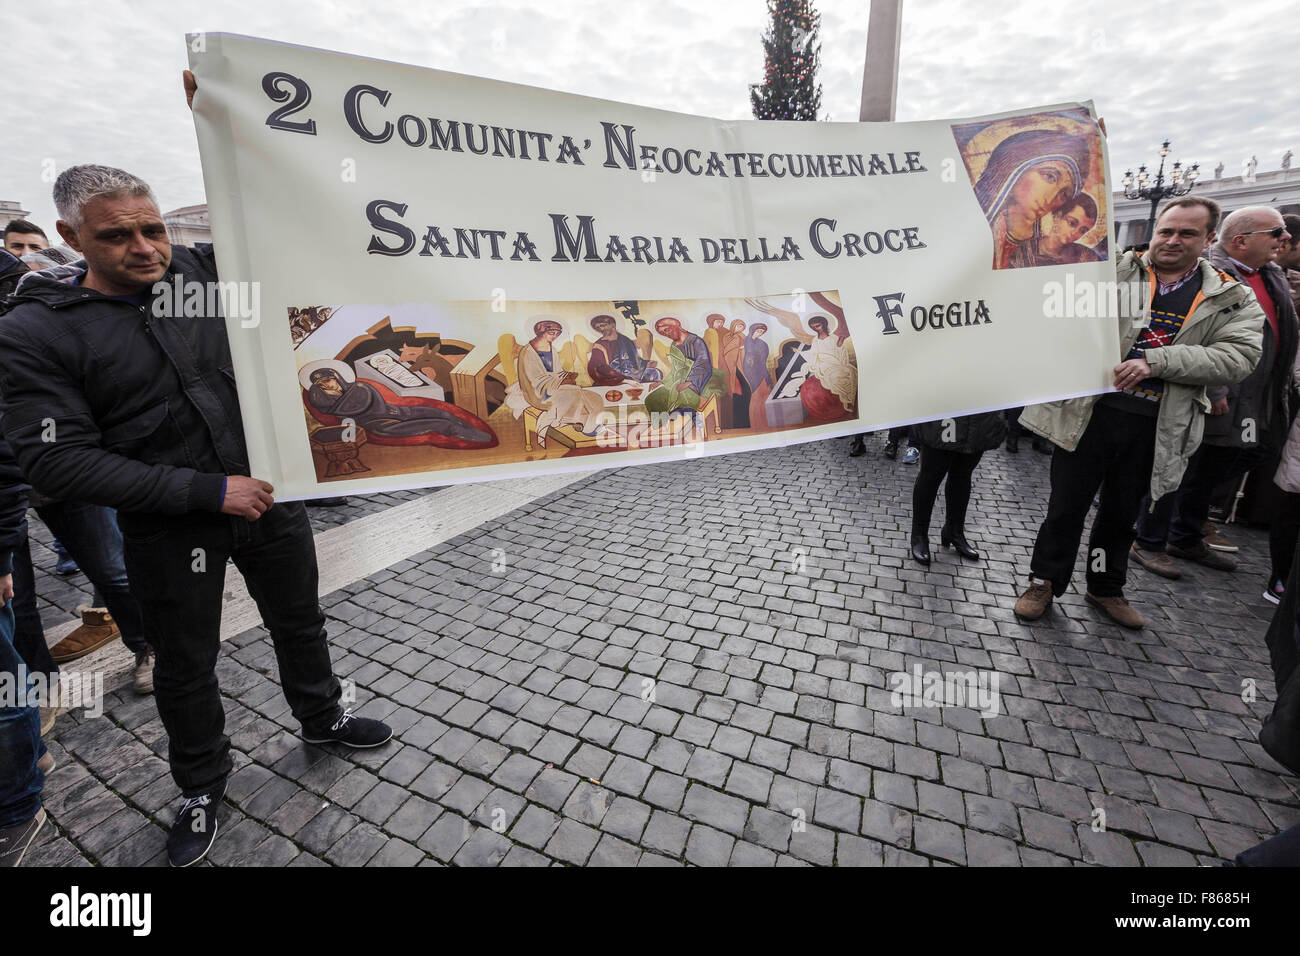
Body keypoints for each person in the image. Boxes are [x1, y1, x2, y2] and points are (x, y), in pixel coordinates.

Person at [0, 164, 394, 868]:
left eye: (153, 228)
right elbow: (56, 462)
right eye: (116, 236)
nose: (146, 248)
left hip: (269, 500)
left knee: (299, 620)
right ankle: (201, 787)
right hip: (167, 524)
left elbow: (286, 216)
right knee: (185, 664)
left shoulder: (203, 271)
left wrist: (230, 113)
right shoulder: (34, 332)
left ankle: (322, 717)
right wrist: (208, 493)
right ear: (70, 237)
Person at [1013, 196, 1264, 629]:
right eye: (1166, 230)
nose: (1172, 240)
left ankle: (1105, 586)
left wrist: (1158, 362)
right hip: (1087, 414)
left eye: (1187, 233)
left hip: (1158, 424)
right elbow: (1047, 303)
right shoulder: (1109, 271)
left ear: (1207, 239)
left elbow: (1238, 358)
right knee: (1064, 507)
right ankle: (1044, 581)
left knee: (1121, 512)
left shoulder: (1229, 296)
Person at [1131, 207, 1297, 583]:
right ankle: (1152, 536)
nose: (1282, 240)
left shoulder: (1269, 276)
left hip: (1258, 394)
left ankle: (1188, 528)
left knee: (1245, 453)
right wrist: (1217, 387)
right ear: (1241, 240)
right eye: (1276, 233)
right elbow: (1201, 335)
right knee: (1181, 464)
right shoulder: (1214, 278)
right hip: (1216, 393)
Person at [973, 129, 1090, 270]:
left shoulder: (1045, 246)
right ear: (1015, 168)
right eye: (1049, 176)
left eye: (1064, 194)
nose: (1052, 198)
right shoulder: (973, 228)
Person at [908, 413, 1007, 565]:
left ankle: (954, 531)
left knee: (962, 476)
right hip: (945, 416)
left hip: (977, 419)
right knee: (931, 475)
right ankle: (919, 535)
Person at [305, 366, 494, 443]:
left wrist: (336, 405)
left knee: (443, 414)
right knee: (441, 424)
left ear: (336, 377)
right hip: (383, 425)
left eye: (329, 379)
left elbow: (360, 405)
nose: (328, 384)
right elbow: (348, 415)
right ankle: (481, 440)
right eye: (322, 385)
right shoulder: (327, 401)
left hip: (398, 411)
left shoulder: (359, 387)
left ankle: (479, 434)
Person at [515, 319, 605, 446]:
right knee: (572, 394)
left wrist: (566, 376)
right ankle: (581, 424)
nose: (555, 336)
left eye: (557, 334)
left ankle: (589, 426)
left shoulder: (551, 349)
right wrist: (560, 381)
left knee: (594, 397)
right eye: (552, 333)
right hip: (539, 391)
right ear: (541, 331)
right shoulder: (528, 352)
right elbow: (532, 379)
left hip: (555, 386)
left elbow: (556, 372)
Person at [643, 316, 725, 419]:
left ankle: (695, 425)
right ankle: (661, 427)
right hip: (678, 380)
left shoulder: (696, 341)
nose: (666, 334)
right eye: (663, 333)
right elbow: (675, 369)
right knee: (652, 399)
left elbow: (703, 363)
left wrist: (690, 382)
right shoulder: (674, 346)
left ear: (677, 326)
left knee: (684, 396)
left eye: (667, 330)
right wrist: (662, 382)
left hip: (700, 379)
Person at [585, 314, 660, 386]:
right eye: (597, 328)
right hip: (612, 376)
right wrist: (622, 380)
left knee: (655, 373)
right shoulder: (599, 345)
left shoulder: (625, 340)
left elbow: (634, 360)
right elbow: (596, 367)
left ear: (613, 325)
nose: (601, 329)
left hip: (630, 372)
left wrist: (645, 364)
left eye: (603, 325)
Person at [1036, 192, 1101, 264]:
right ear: (1057, 216)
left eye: (1082, 231)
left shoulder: (1084, 255)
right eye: (1072, 223)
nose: (1074, 233)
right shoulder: (1028, 248)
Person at [740, 322, 772, 430]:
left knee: (764, 398)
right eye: (758, 331)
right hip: (748, 373)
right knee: (754, 399)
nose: (759, 333)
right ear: (752, 330)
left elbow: (763, 359)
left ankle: (764, 423)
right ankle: (755, 424)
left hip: (761, 372)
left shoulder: (762, 344)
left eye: (762, 332)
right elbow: (743, 358)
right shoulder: (744, 342)